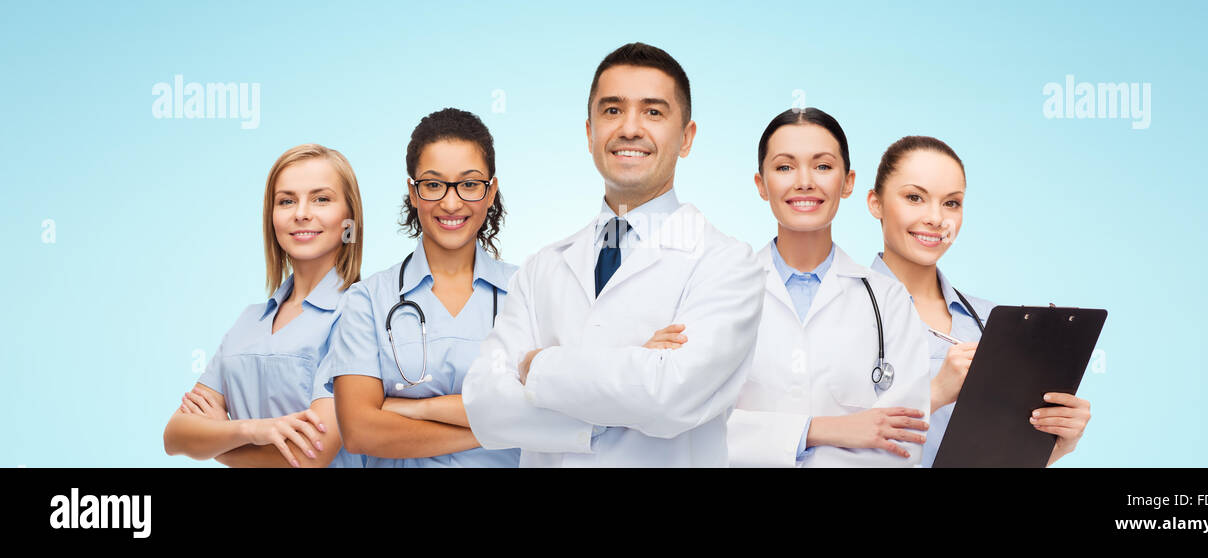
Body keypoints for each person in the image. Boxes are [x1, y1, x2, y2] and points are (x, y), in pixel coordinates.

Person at [461, 42, 764, 467]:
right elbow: (484, 404)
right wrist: (629, 374)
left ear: (687, 137)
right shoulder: (542, 267)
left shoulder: (728, 263)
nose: (630, 129)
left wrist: (538, 365)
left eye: (653, 112)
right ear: (589, 133)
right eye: (612, 110)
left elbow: (668, 396)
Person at [866, 135, 1092, 467]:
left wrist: (1056, 444)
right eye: (914, 197)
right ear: (875, 203)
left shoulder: (991, 322)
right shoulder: (837, 309)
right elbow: (820, 445)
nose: (935, 218)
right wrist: (936, 392)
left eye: (951, 203)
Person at [725, 108, 930, 467]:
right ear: (761, 184)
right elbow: (697, 431)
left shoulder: (888, 301)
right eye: (785, 167)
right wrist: (820, 429)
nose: (804, 182)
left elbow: (904, 443)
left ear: (847, 182)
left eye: (822, 166)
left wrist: (767, 441)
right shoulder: (722, 290)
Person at [321, 108, 520, 467]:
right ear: (413, 193)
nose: (451, 202)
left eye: (470, 184)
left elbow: (550, 411)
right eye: (433, 184)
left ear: (491, 192)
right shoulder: (367, 301)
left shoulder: (530, 291)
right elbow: (360, 432)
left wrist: (415, 408)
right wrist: (497, 428)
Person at [163, 143, 364, 468]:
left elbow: (310, 454)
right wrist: (253, 429)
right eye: (286, 201)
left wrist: (217, 441)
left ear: (349, 222)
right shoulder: (249, 321)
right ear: (272, 219)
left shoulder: (359, 314)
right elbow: (174, 436)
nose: (301, 213)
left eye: (321, 199)